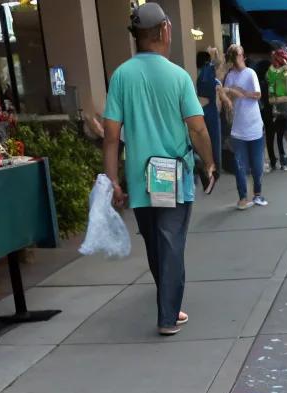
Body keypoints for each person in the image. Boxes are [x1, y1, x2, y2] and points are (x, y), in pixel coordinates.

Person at [103, 2, 216, 337]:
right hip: (171, 175)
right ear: (166, 30)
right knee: (171, 243)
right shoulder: (179, 77)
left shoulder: (121, 76)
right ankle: (167, 315)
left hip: (139, 177)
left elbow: (111, 136)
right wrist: (209, 163)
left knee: (155, 244)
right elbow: (197, 128)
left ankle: (169, 304)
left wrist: (112, 181)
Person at [223, 42, 268, 208]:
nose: (241, 58)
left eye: (241, 54)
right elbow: (226, 96)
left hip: (254, 125)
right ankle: (242, 197)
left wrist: (238, 91)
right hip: (238, 128)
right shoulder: (230, 76)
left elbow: (257, 94)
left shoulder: (250, 73)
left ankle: (257, 193)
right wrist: (230, 94)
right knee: (240, 165)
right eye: (239, 55)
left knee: (256, 165)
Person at [267, 47, 287, 168]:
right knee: (280, 135)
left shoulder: (286, 72)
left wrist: (276, 99)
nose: (272, 63)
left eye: (274, 60)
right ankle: (286, 160)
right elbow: (271, 94)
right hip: (280, 110)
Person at [195, 47, 223, 172]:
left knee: (204, 139)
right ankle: (214, 166)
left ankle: (208, 164)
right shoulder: (207, 72)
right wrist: (213, 54)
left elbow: (217, 63)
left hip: (202, 109)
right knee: (213, 140)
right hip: (210, 109)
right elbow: (217, 64)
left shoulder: (201, 75)